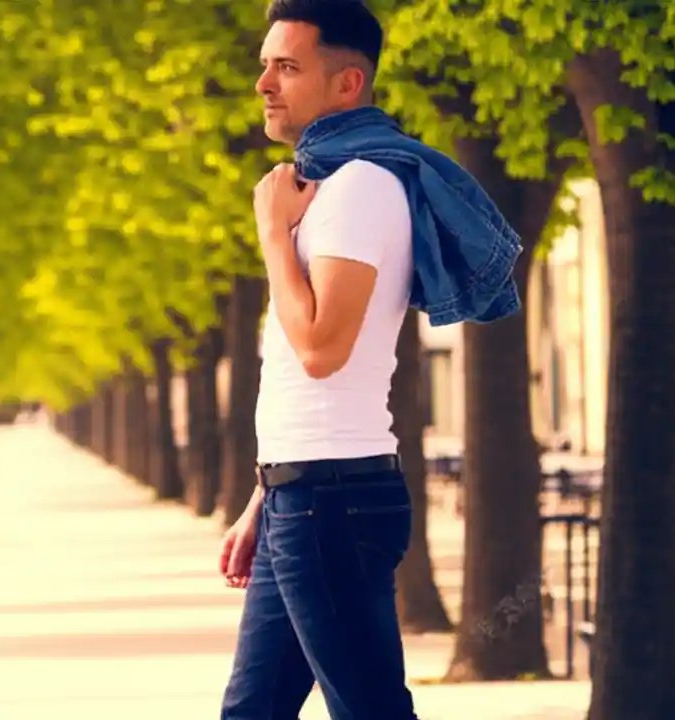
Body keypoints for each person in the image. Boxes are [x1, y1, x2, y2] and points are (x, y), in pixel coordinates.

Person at [214, 0, 525, 717]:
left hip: (331, 501)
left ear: (347, 83)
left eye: (286, 67)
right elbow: (315, 380)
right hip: (303, 494)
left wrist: (270, 233)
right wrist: (266, 494)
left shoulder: (360, 187)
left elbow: (321, 350)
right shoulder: (329, 186)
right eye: (264, 65)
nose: (263, 83)